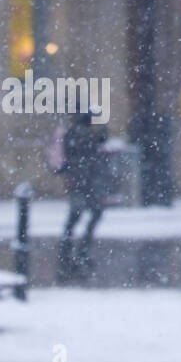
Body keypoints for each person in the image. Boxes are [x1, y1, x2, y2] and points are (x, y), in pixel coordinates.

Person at [57, 110, 109, 283]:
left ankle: (69, 250)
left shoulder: (72, 133)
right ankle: (77, 250)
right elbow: (94, 146)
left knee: (78, 216)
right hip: (85, 182)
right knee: (87, 214)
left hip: (82, 182)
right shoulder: (80, 134)